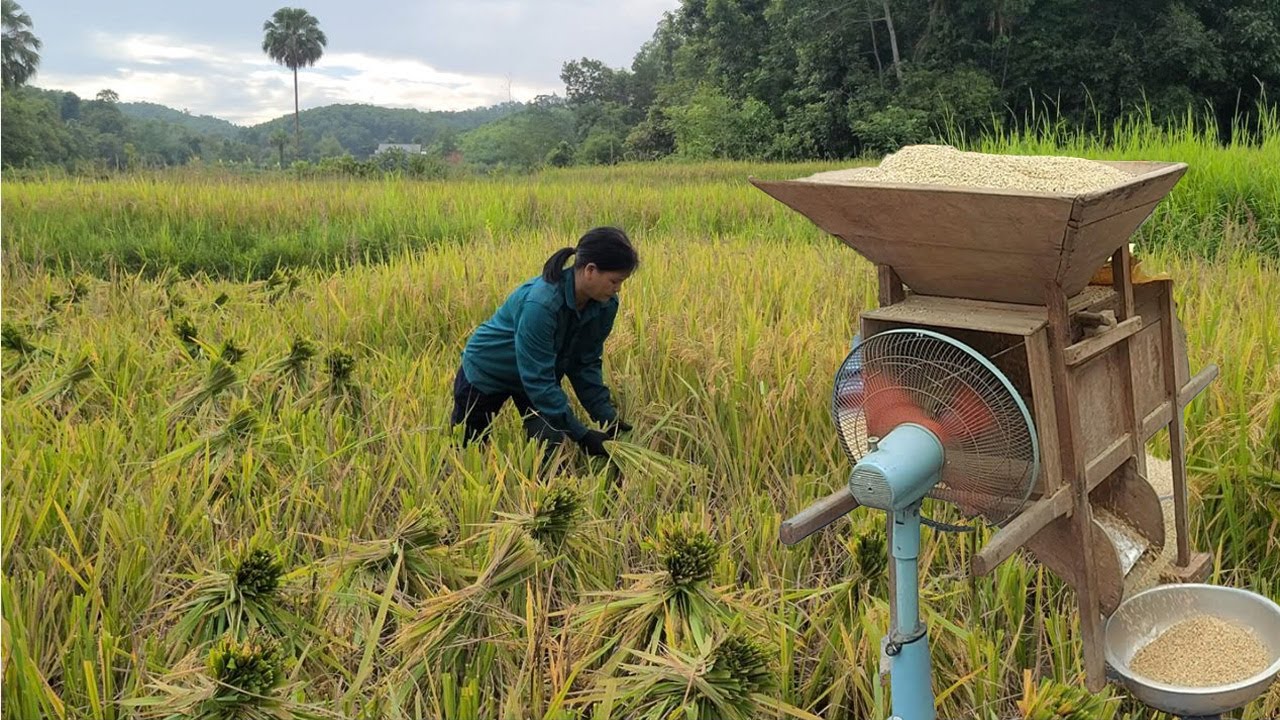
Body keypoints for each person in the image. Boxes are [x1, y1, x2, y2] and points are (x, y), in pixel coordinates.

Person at [451, 226, 639, 459]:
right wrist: (582, 436)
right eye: (614, 281)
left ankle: (541, 483)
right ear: (590, 270)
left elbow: (585, 362)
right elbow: (538, 380)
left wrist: (607, 416)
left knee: (550, 442)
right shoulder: (541, 305)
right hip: (489, 371)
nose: (618, 288)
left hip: (535, 374)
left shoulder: (605, 305)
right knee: (467, 449)